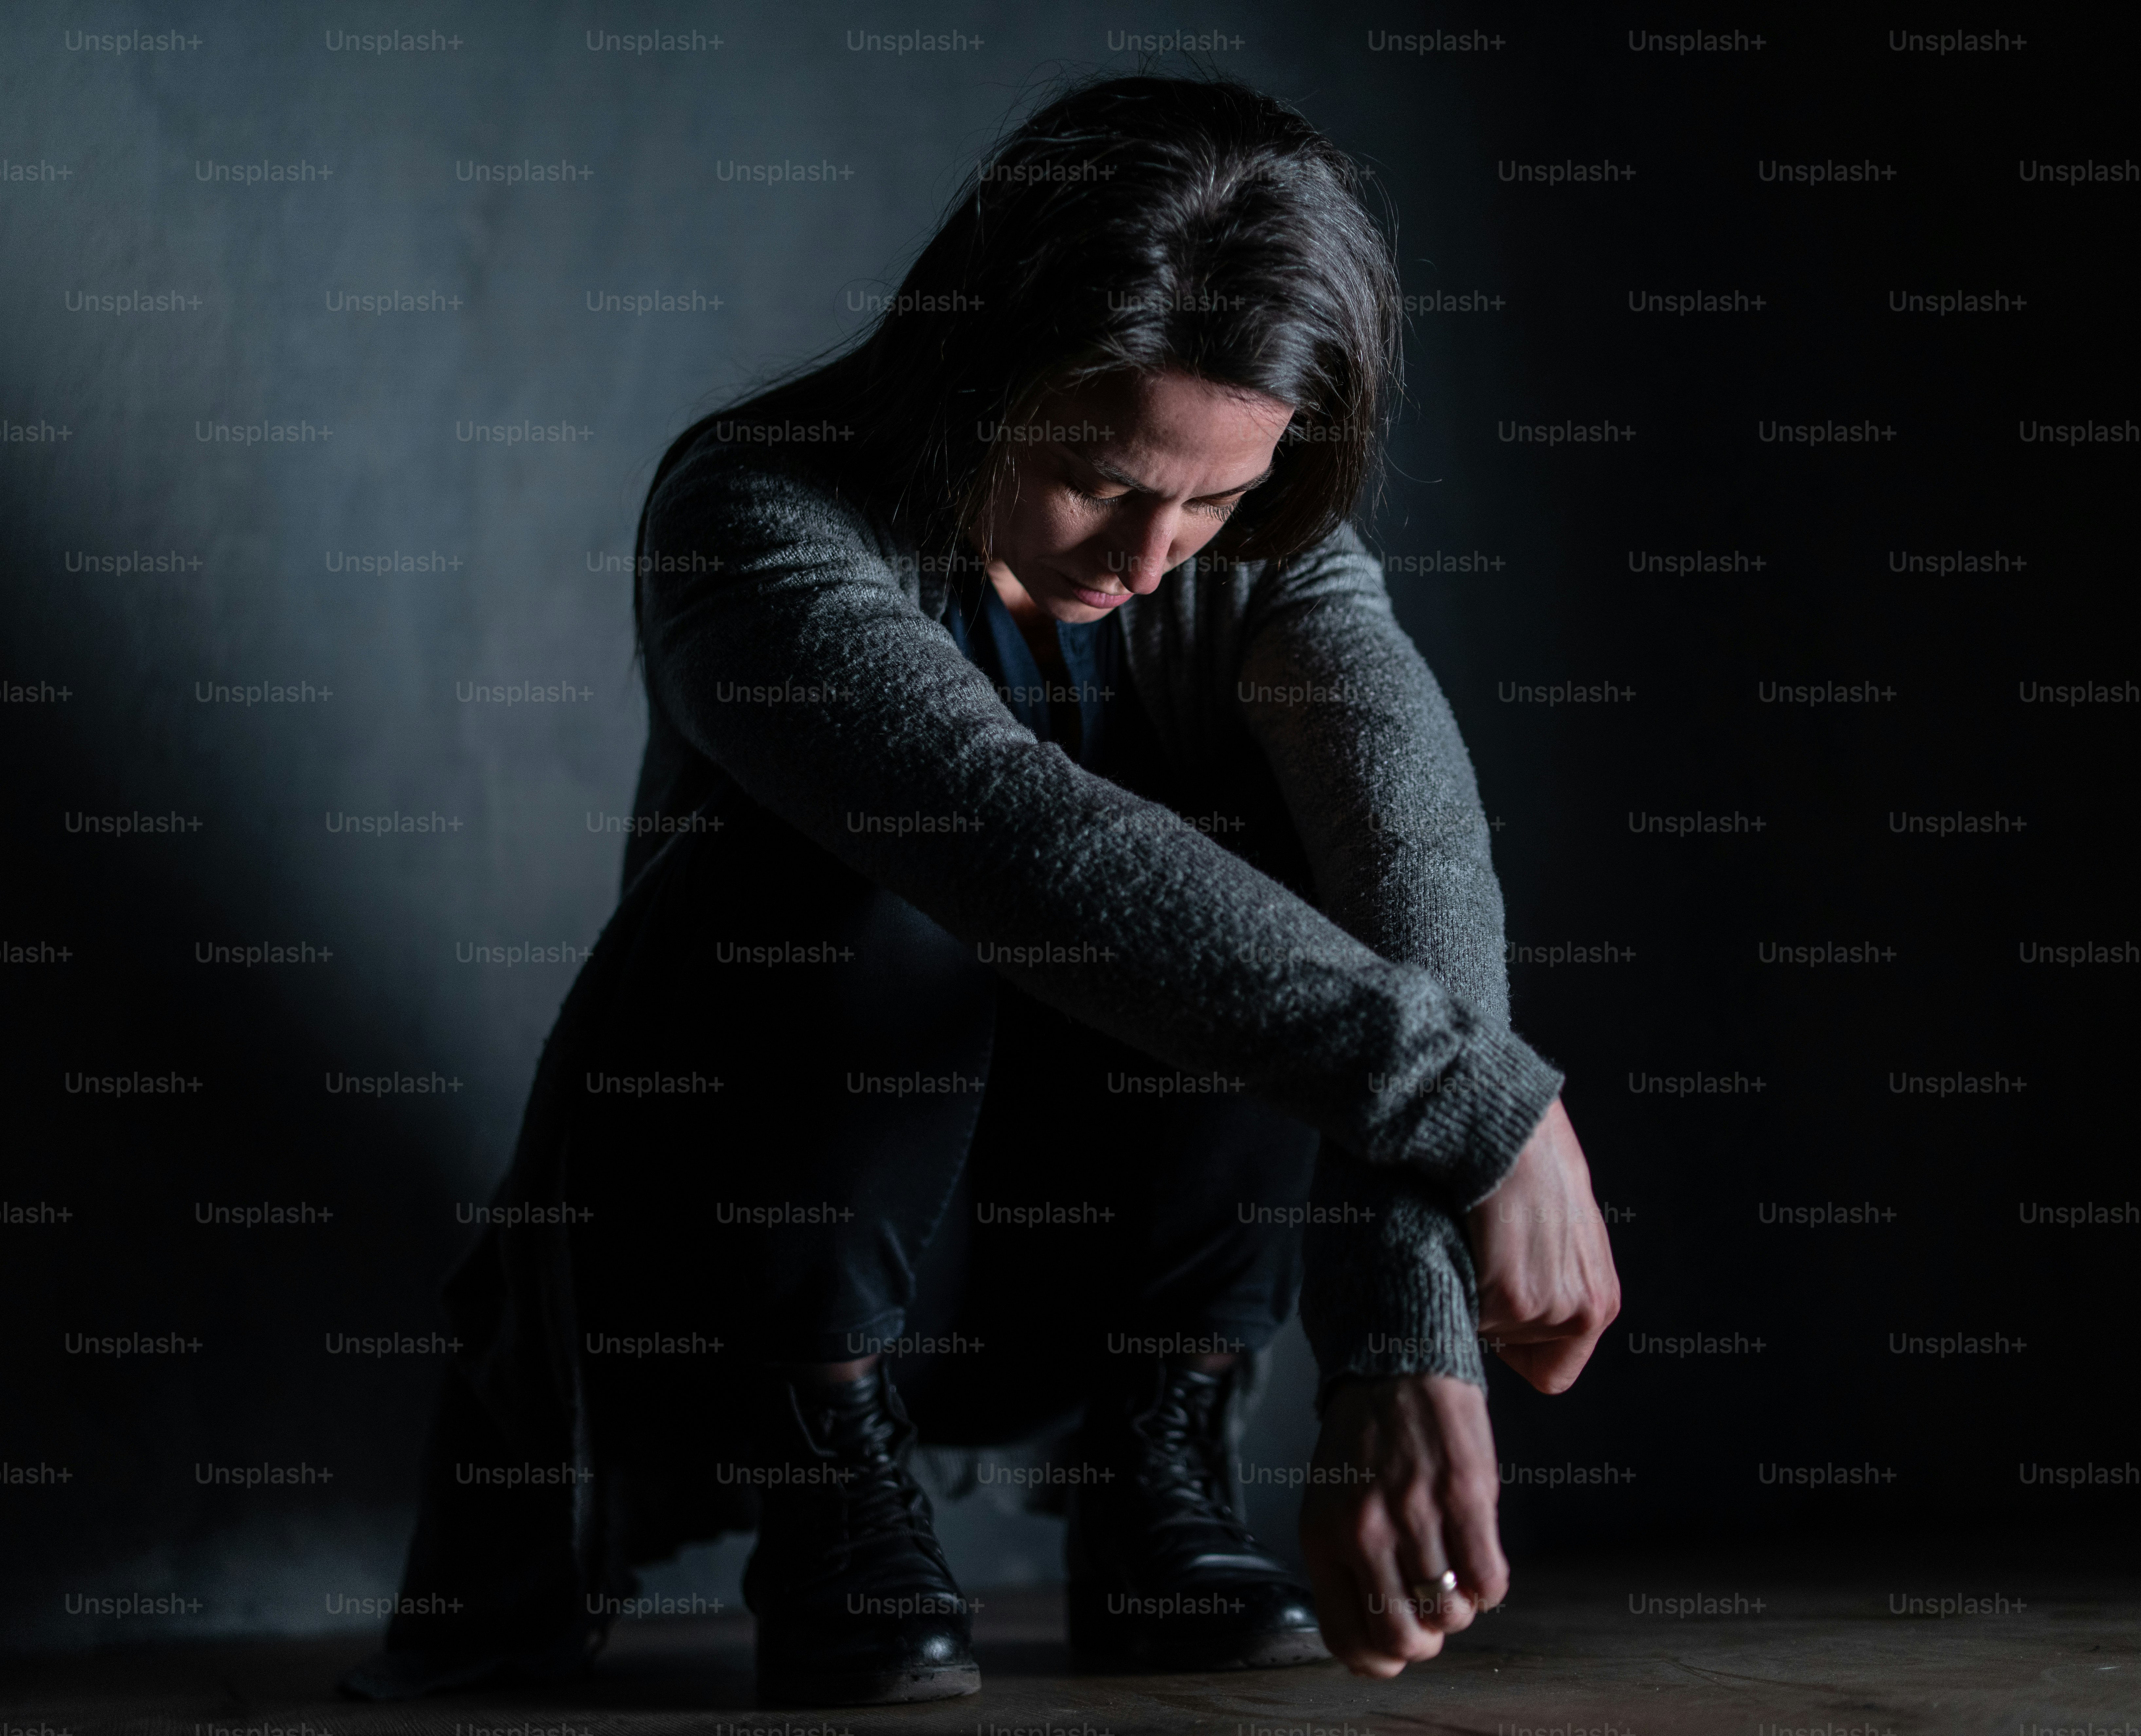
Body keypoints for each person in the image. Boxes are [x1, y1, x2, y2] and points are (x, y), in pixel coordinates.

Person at [341, 72, 1619, 1709]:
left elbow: (1410, 851)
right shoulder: (757, 517)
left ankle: (1154, 1453)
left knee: (1279, 845)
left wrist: (1405, 1333)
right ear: (980, 367)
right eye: (1101, 475)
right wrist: (1489, 1113)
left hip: (1077, 1250)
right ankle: (825, 1471)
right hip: (753, 1248)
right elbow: (1034, 851)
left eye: (1215, 499)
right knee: (879, 846)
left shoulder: (1256, 552)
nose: (1155, 555)